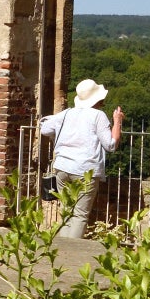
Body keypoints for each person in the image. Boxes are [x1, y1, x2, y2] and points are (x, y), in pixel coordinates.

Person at [38, 78, 119, 239]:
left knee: (67, 212)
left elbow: (44, 127)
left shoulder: (67, 113)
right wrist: (117, 122)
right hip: (85, 171)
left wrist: (59, 134)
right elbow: (110, 145)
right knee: (80, 215)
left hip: (62, 168)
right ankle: (71, 254)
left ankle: (60, 249)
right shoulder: (98, 116)